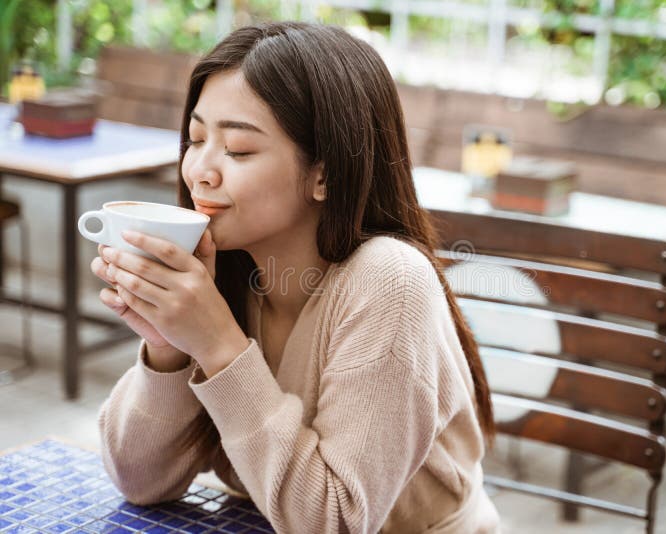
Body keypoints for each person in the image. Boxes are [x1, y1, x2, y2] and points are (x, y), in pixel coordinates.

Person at [92, 22, 500, 533]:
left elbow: (335, 522)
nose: (199, 170)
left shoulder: (389, 282)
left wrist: (219, 346)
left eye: (238, 150)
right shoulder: (225, 269)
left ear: (324, 174)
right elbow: (139, 481)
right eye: (196, 139)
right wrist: (168, 346)